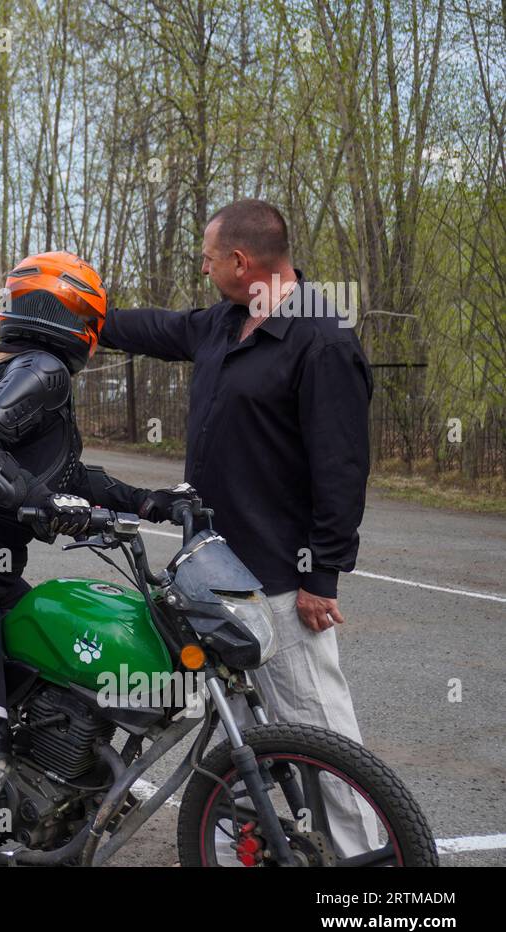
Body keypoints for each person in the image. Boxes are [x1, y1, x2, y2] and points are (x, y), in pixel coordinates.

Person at [0, 251, 194, 867]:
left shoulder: (25, 370)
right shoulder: (43, 369)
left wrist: (152, 502)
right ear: (61, 312)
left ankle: (40, 804)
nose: (93, 329)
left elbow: (72, 473)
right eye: (86, 312)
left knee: (56, 699)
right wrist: (41, 502)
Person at [101, 198, 379, 857]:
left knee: (317, 728)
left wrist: (322, 575)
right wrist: (80, 317)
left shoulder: (322, 341)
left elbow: (341, 468)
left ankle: (375, 861)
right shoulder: (228, 321)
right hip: (215, 567)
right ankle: (259, 842)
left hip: (282, 577)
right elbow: (159, 329)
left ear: (240, 260)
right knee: (248, 725)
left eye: (206, 258)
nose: (202, 269)